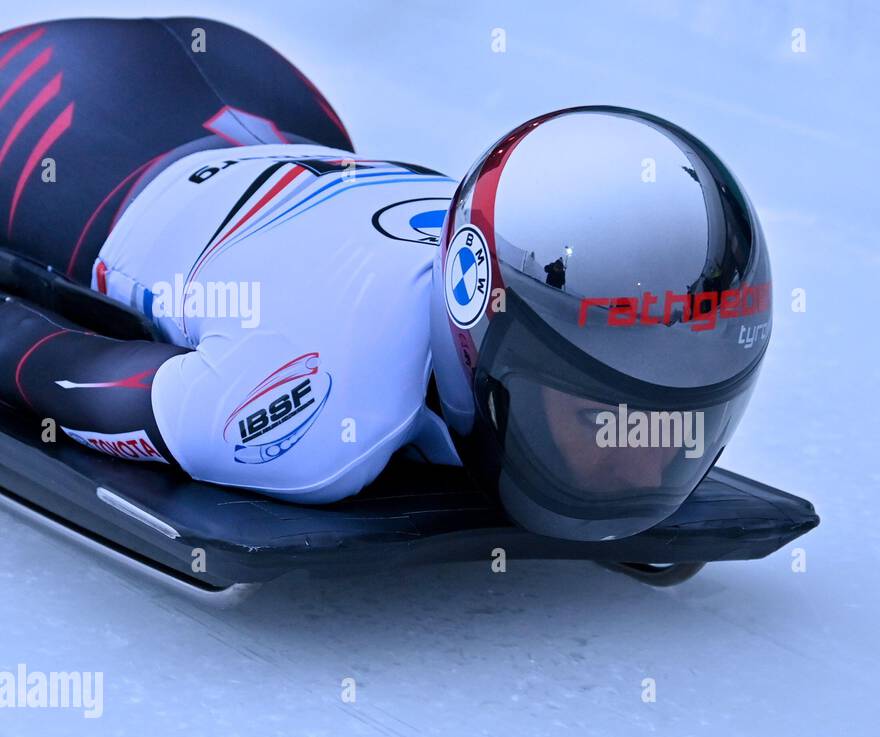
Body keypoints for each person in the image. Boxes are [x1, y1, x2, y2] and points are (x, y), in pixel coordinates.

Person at [0, 17, 773, 541]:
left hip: (255, 88)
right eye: (601, 422)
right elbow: (65, 375)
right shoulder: (314, 423)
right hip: (47, 128)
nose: (648, 459)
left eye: (682, 427)